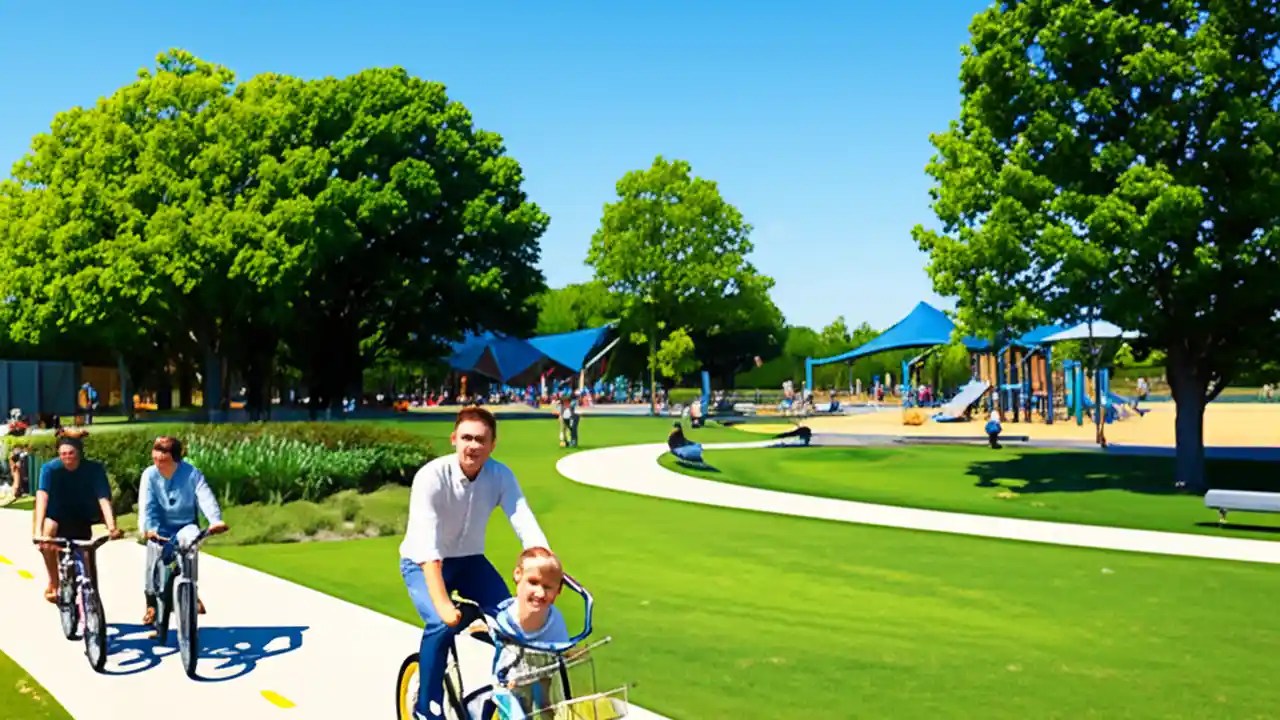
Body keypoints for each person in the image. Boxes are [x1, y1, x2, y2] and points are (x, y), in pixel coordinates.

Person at [399, 407, 551, 720]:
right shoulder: (431, 477)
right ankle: (426, 706)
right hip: (422, 563)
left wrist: (547, 563)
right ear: (453, 439)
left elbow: (522, 518)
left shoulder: (500, 475)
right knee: (442, 624)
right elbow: (427, 546)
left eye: (481, 440)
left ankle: (502, 690)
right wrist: (442, 605)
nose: (473, 446)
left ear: (493, 445)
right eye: (466, 437)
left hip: (471, 562)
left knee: (513, 619)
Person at [139, 436, 229, 624]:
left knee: (189, 550)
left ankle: (190, 591)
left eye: (163, 452)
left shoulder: (191, 474)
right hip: (159, 526)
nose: (157, 456)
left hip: (185, 525)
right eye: (156, 451)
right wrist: (147, 528)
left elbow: (205, 497)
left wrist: (215, 521)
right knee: (153, 567)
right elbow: (146, 503)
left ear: (174, 457)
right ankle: (151, 606)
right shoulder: (149, 474)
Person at [32, 436, 123, 603]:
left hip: (84, 516)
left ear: (79, 453)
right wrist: (38, 531)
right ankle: (54, 581)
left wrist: (111, 526)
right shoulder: (50, 469)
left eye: (71, 453)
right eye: (63, 454)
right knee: (47, 534)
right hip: (58, 515)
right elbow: (42, 496)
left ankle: (92, 594)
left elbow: (103, 498)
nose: (67, 457)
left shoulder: (94, 469)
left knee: (87, 557)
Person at [487, 547, 570, 720]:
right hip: (512, 679)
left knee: (550, 708)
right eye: (533, 582)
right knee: (519, 712)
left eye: (548, 587)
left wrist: (569, 653)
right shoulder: (506, 619)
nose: (540, 593)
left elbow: (562, 650)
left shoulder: (555, 620)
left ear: (558, 591)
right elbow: (503, 655)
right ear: (518, 575)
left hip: (542, 673)